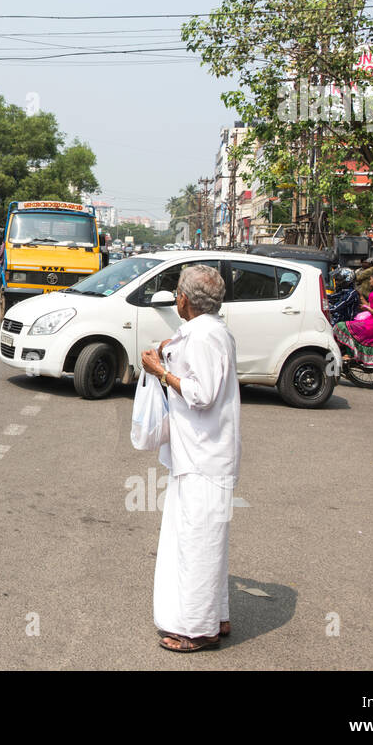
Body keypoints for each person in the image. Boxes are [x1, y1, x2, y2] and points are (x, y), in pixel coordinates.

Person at [140, 264, 241, 653]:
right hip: (203, 453)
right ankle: (215, 615)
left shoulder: (206, 336)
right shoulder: (211, 330)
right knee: (206, 539)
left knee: (197, 544)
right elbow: (188, 348)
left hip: (204, 456)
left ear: (184, 298)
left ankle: (199, 630)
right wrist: (167, 351)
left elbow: (200, 395)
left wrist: (160, 372)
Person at [334, 271, 373, 367]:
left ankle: (351, 354)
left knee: (341, 326)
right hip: (371, 321)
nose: (369, 281)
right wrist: (361, 297)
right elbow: (370, 305)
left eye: (371, 279)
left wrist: (367, 308)